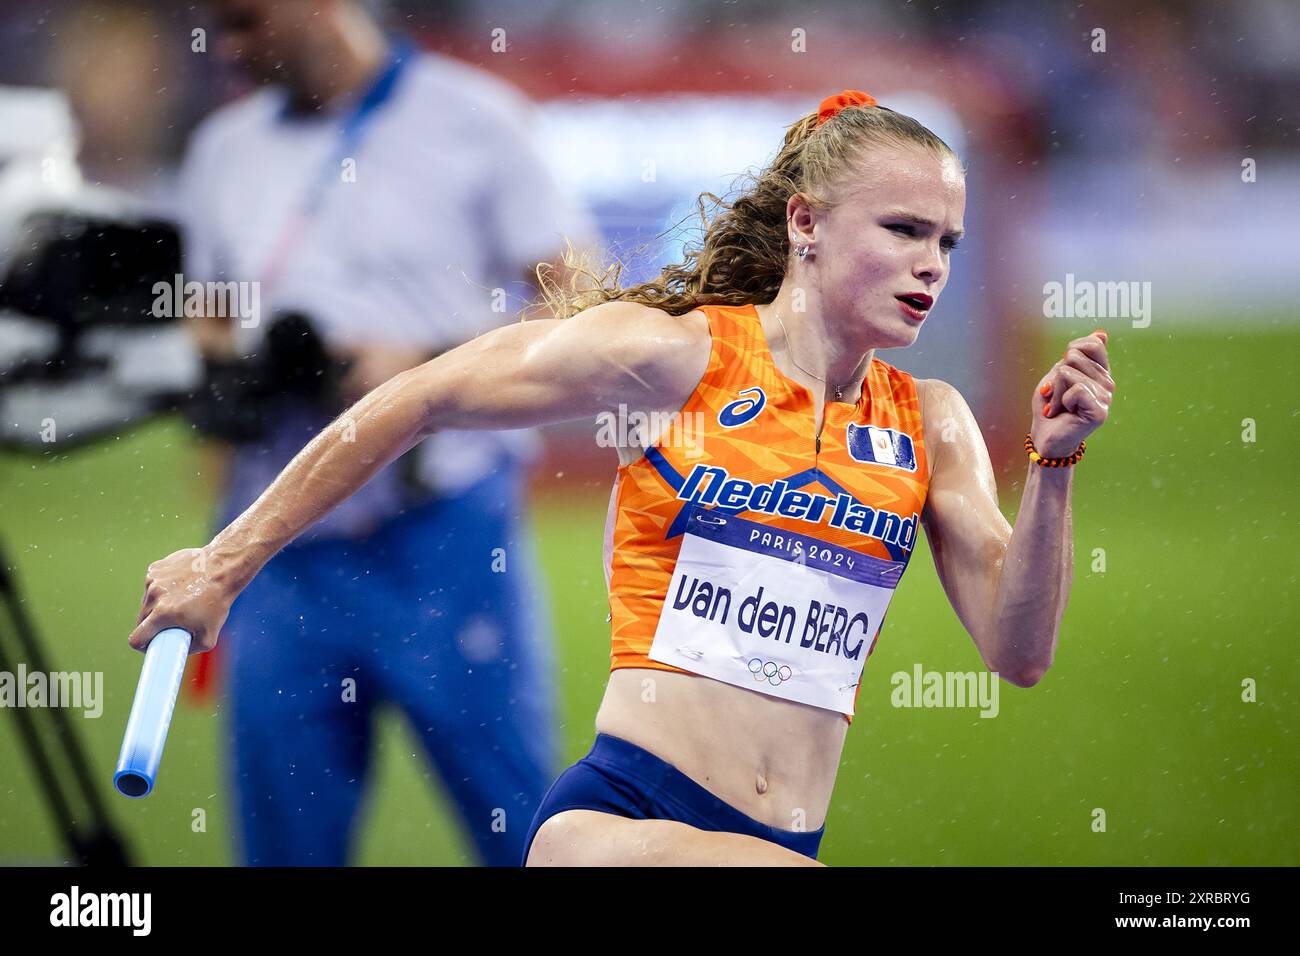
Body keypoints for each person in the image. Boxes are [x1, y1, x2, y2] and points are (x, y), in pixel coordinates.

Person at [133, 88, 1115, 866]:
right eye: (903, 229)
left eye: (947, 239)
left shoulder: (929, 420)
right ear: (807, 222)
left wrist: (1055, 462)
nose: (931, 262)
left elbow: (1017, 648)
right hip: (617, 828)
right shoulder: (674, 356)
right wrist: (226, 562)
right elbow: (419, 397)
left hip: (779, 839)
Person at [173, 0, 596, 865]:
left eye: (246, 21)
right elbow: (207, 313)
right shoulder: (223, 147)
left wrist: (430, 364)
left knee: (526, 836)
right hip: (281, 541)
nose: (227, 47)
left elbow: (583, 295)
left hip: (447, 535)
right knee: (284, 849)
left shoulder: (474, 118)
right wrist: (238, 369)